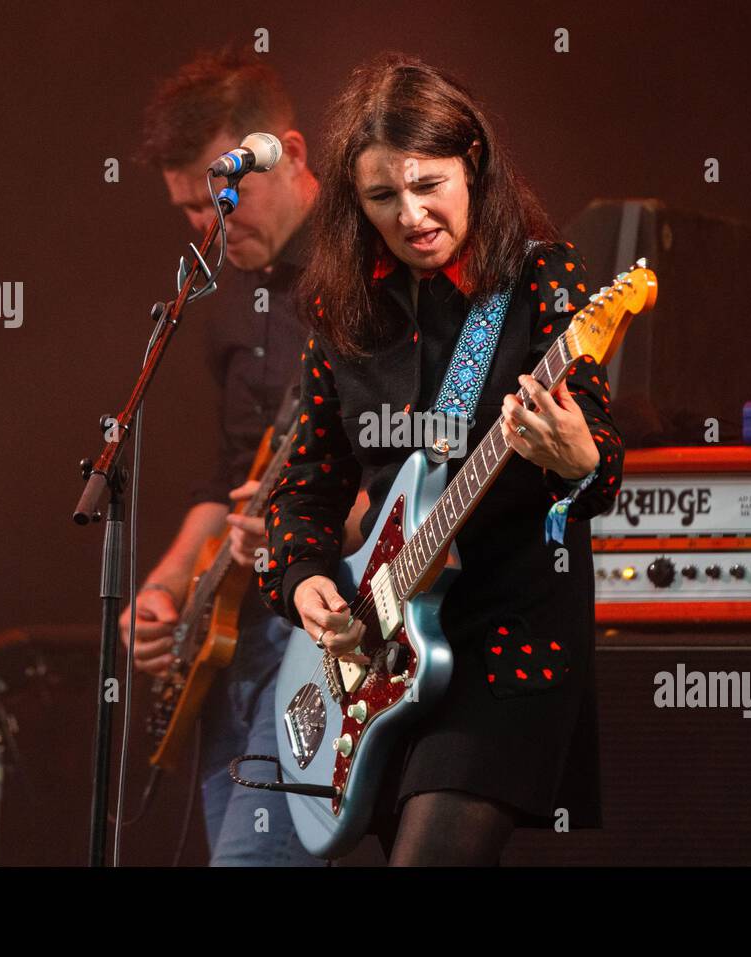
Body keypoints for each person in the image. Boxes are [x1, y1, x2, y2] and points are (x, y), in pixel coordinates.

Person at [258, 53, 625, 866]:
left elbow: (598, 461)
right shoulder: (340, 307)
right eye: (383, 196)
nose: (412, 214)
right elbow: (304, 485)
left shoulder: (540, 278)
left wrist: (579, 458)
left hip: (512, 635)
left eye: (430, 184)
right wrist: (304, 578)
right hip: (388, 645)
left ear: (474, 166)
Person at [125, 47, 358, 866]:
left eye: (225, 197)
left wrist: (324, 510)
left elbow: (420, 440)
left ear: (291, 155)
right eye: (191, 209)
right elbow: (228, 478)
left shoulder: (373, 267)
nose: (210, 225)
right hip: (230, 636)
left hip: (327, 623)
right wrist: (166, 584)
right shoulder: (220, 305)